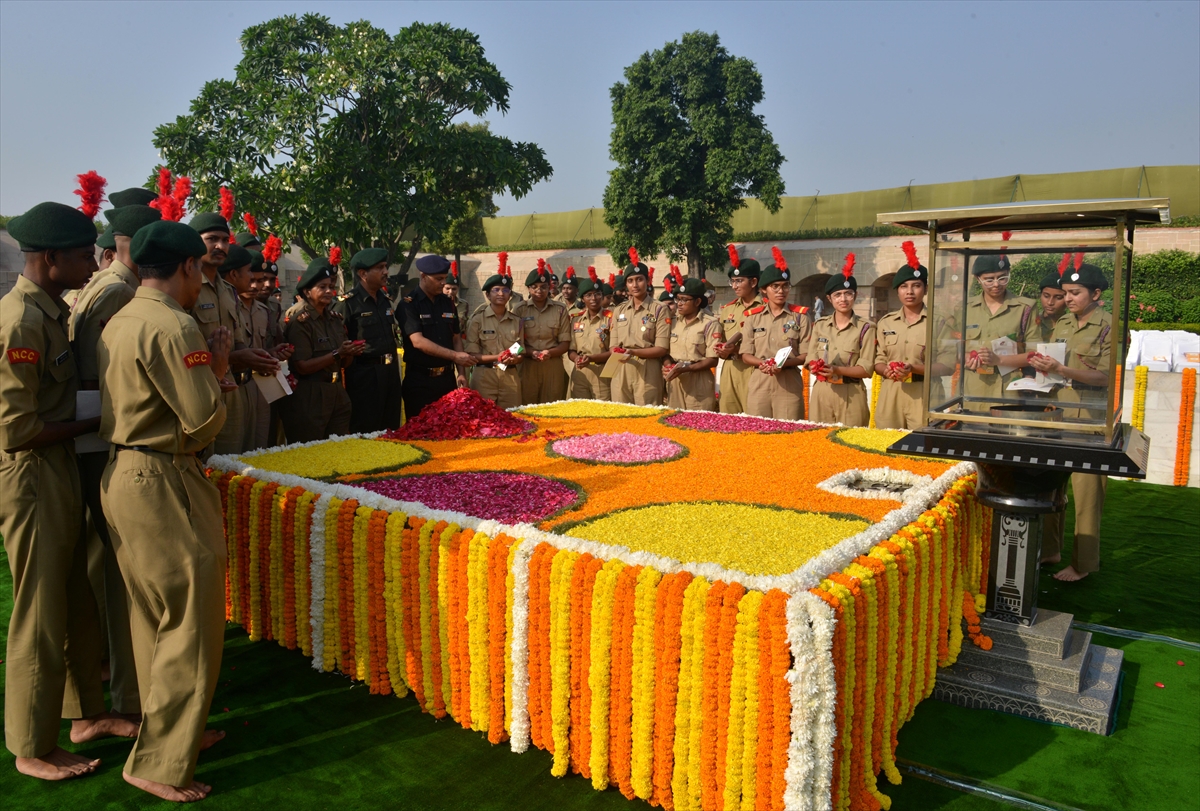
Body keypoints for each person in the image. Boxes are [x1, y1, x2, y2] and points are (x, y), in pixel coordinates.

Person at [1, 201, 140, 782]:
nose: (94, 262)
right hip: (32, 474)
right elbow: (16, 428)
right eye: (84, 255)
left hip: (59, 464)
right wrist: (99, 421)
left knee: (78, 595)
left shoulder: (51, 309)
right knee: (40, 609)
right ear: (50, 257)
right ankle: (31, 745)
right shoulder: (21, 322)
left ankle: (86, 715)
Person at [98, 219, 233, 801]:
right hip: (165, 476)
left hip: (124, 473)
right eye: (200, 270)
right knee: (191, 621)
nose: (202, 282)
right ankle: (158, 761)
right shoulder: (176, 325)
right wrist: (221, 370)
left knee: (151, 616)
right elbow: (203, 419)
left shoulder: (121, 315)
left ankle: (173, 734)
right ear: (186, 267)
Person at [67, 202, 163, 722]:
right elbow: (99, 382)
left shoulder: (104, 286)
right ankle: (131, 693)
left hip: (97, 438)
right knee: (124, 575)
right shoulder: (119, 290)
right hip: (107, 442)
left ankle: (123, 685)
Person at [1030, 255, 1112, 582]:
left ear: (1095, 294)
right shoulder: (1062, 324)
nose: (1068, 299)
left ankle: (1083, 564)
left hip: (1089, 420)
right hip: (1058, 412)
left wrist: (1061, 369)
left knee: (1087, 494)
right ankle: (1051, 550)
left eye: (1075, 293)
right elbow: (1053, 365)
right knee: (1052, 485)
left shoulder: (1108, 326)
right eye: (1066, 293)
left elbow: (1106, 376)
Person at [187, 213, 274, 454]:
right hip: (202, 389)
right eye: (212, 239)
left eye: (225, 240)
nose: (220, 246)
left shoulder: (228, 290)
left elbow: (235, 343)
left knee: (237, 466)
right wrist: (239, 357)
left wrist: (253, 355)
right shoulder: (187, 287)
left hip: (233, 388)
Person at [282, 258, 361, 441]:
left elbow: (344, 362)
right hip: (311, 395)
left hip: (336, 392)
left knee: (338, 447)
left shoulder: (334, 319)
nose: (328, 291)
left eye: (330, 287)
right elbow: (302, 366)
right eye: (322, 287)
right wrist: (337, 353)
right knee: (310, 448)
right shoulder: (301, 322)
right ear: (307, 292)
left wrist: (349, 352)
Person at [396, 254, 476, 418]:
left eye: (444, 278)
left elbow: (456, 338)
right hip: (420, 382)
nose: (443, 283)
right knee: (420, 433)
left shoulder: (447, 303)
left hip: (446, 380)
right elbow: (418, 342)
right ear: (423, 276)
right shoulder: (408, 304)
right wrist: (455, 356)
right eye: (438, 278)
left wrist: (461, 372)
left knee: (448, 431)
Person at [334, 248, 403, 432]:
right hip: (364, 377)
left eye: (386, 266)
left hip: (390, 373)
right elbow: (339, 343)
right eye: (380, 268)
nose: (386, 272)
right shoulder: (347, 303)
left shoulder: (385, 299)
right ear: (363, 274)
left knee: (391, 428)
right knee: (366, 429)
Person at [217, 244, 278, 451]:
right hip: (228, 383)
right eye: (251, 278)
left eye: (259, 280)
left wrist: (270, 354)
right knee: (230, 452)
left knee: (257, 447)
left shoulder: (264, 310)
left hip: (256, 383)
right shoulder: (222, 301)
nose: (256, 286)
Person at [873, 242, 938, 430]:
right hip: (891, 393)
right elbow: (879, 360)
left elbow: (947, 365)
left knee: (922, 448)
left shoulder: (938, 321)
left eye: (916, 286)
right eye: (903, 286)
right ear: (897, 291)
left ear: (925, 289)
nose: (909, 292)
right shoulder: (886, 322)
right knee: (884, 445)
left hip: (923, 394)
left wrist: (913, 368)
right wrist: (885, 370)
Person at [806, 254, 876, 425]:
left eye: (848, 294)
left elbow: (866, 369)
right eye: (837, 295)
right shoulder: (820, 325)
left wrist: (837, 370)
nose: (843, 299)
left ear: (855, 295)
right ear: (829, 299)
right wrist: (816, 366)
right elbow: (809, 359)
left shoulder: (866, 328)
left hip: (851, 392)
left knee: (850, 442)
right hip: (822, 391)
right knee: (818, 442)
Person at [740, 252, 811, 419]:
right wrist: (763, 363)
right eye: (775, 286)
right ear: (764, 289)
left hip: (788, 381)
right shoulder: (752, 317)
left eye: (785, 286)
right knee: (758, 431)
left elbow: (806, 354)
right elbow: (745, 355)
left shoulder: (800, 317)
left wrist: (783, 364)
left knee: (789, 431)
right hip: (760, 380)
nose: (781, 291)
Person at [962, 254, 1033, 401]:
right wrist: (966, 357)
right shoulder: (964, 308)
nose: (996, 284)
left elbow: (1035, 354)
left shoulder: (1025, 308)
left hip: (1009, 387)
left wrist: (999, 360)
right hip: (972, 386)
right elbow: (951, 348)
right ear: (978, 279)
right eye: (989, 279)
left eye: (1002, 278)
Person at [608, 250, 671, 405]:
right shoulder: (619, 310)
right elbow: (613, 346)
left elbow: (662, 348)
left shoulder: (659, 309)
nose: (635, 285)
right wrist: (618, 352)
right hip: (619, 366)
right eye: (630, 281)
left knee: (646, 415)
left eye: (639, 280)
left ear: (647, 281)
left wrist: (633, 352)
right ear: (626, 284)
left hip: (647, 368)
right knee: (620, 415)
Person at [465, 270, 524, 409]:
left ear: (510, 295)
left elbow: (520, 347)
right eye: (496, 290)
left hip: (510, 376)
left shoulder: (516, 321)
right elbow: (472, 354)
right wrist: (497, 357)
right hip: (484, 376)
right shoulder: (477, 320)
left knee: (512, 418)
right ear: (487, 295)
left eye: (505, 290)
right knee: (483, 419)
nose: (501, 294)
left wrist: (515, 358)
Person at [515, 260, 571, 404]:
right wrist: (529, 352)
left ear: (549, 288)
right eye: (534, 287)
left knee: (552, 405)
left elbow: (565, 342)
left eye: (543, 287)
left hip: (552, 365)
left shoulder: (560, 309)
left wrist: (550, 353)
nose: (539, 290)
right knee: (526, 405)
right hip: (527, 365)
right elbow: (514, 343)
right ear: (528, 289)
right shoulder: (520, 310)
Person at [716, 245, 763, 415]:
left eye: (739, 281)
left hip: (755, 369)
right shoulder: (728, 310)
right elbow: (720, 339)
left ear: (754, 282)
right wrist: (721, 349)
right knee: (728, 418)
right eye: (732, 281)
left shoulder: (765, 308)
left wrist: (738, 349)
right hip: (730, 368)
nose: (734, 286)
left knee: (755, 418)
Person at [665, 277, 724, 410]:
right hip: (675, 378)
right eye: (678, 299)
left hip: (699, 378)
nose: (679, 303)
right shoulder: (672, 322)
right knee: (673, 420)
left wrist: (686, 369)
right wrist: (668, 365)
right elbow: (665, 351)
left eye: (684, 299)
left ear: (697, 301)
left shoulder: (710, 323)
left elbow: (712, 360)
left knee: (697, 422)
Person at [567, 273, 612, 401]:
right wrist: (577, 359)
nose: (594, 298)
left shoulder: (610, 318)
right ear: (582, 299)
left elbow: (614, 351)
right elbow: (571, 350)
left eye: (597, 294)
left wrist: (591, 358)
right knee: (581, 413)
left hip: (602, 372)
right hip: (580, 372)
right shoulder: (575, 319)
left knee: (602, 413)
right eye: (588, 295)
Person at [444, 261, 471, 328]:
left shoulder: (463, 304)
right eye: (447, 288)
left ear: (458, 288)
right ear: (442, 287)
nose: (450, 292)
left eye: (454, 289)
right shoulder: (435, 302)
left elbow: (464, 323)